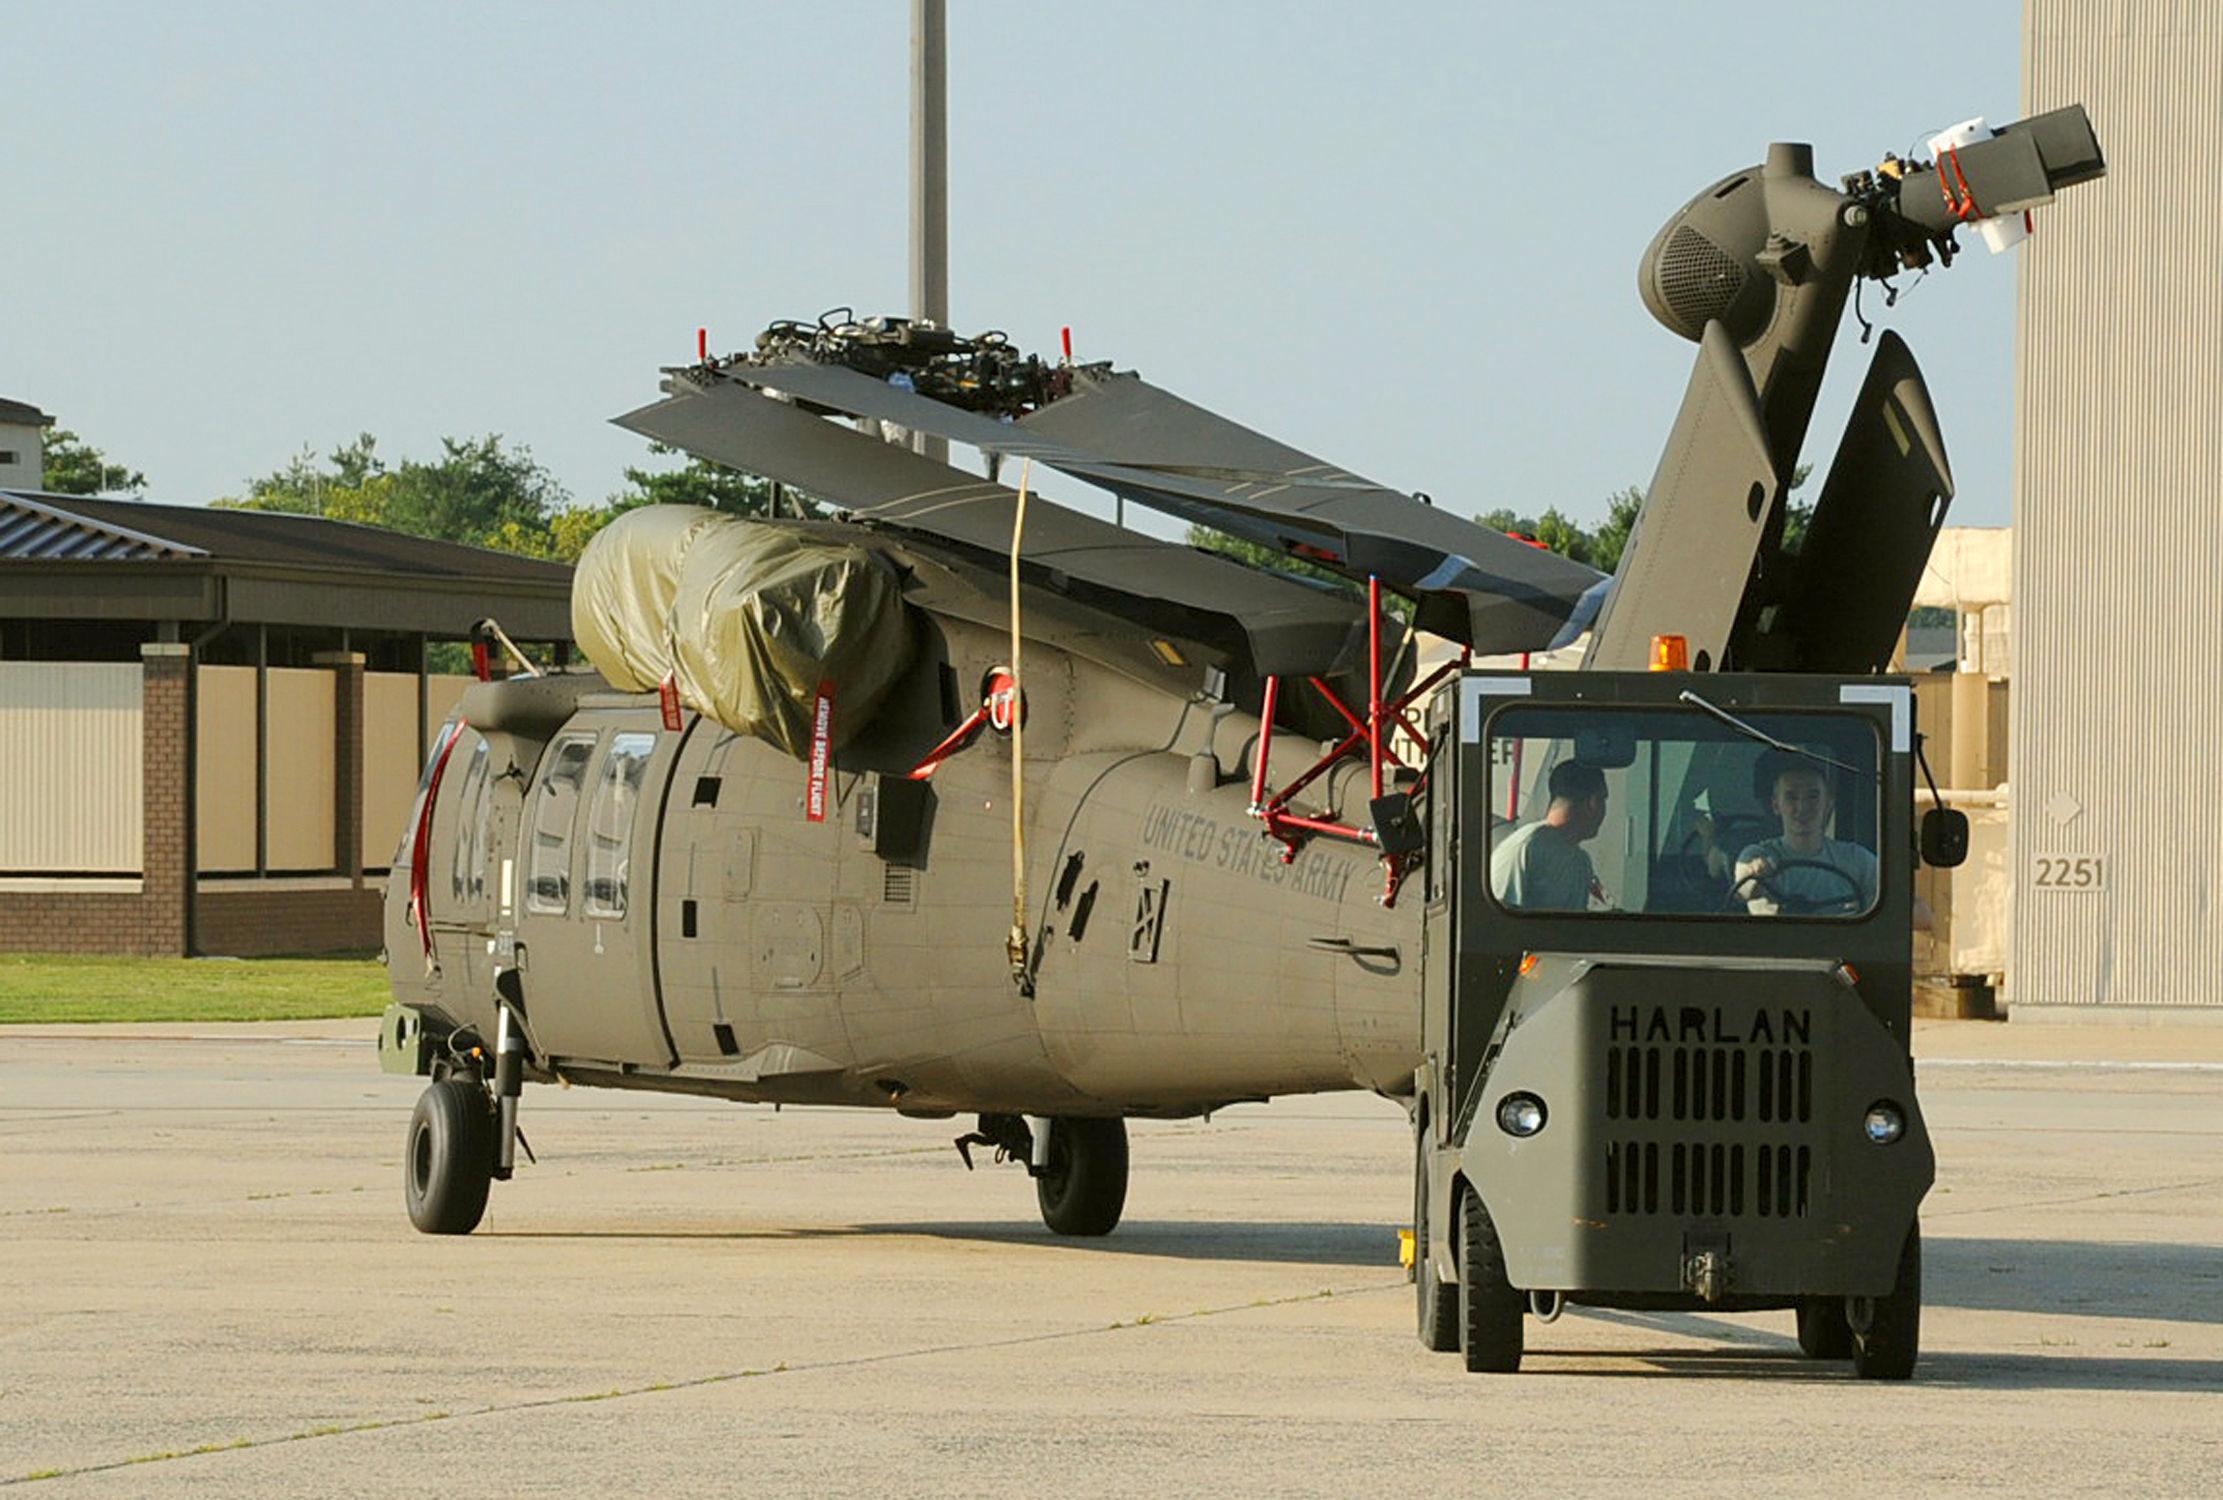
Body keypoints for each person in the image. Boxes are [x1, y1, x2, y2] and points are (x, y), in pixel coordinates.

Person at [1733, 754, 1877, 915]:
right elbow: (1742, 890)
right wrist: (1755, 876)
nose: (1802, 807)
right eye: (1791, 797)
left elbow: (1889, 900)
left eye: (1812, 797)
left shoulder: (1857, 860)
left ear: (1828, 803)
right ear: (1776, 805)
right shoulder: (1757, 855)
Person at [1491, 760, 1608, 911]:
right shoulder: (1527, 846)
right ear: (1592, 803)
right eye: (1602, 799)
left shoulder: (1581, 861)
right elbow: (1497, 916)